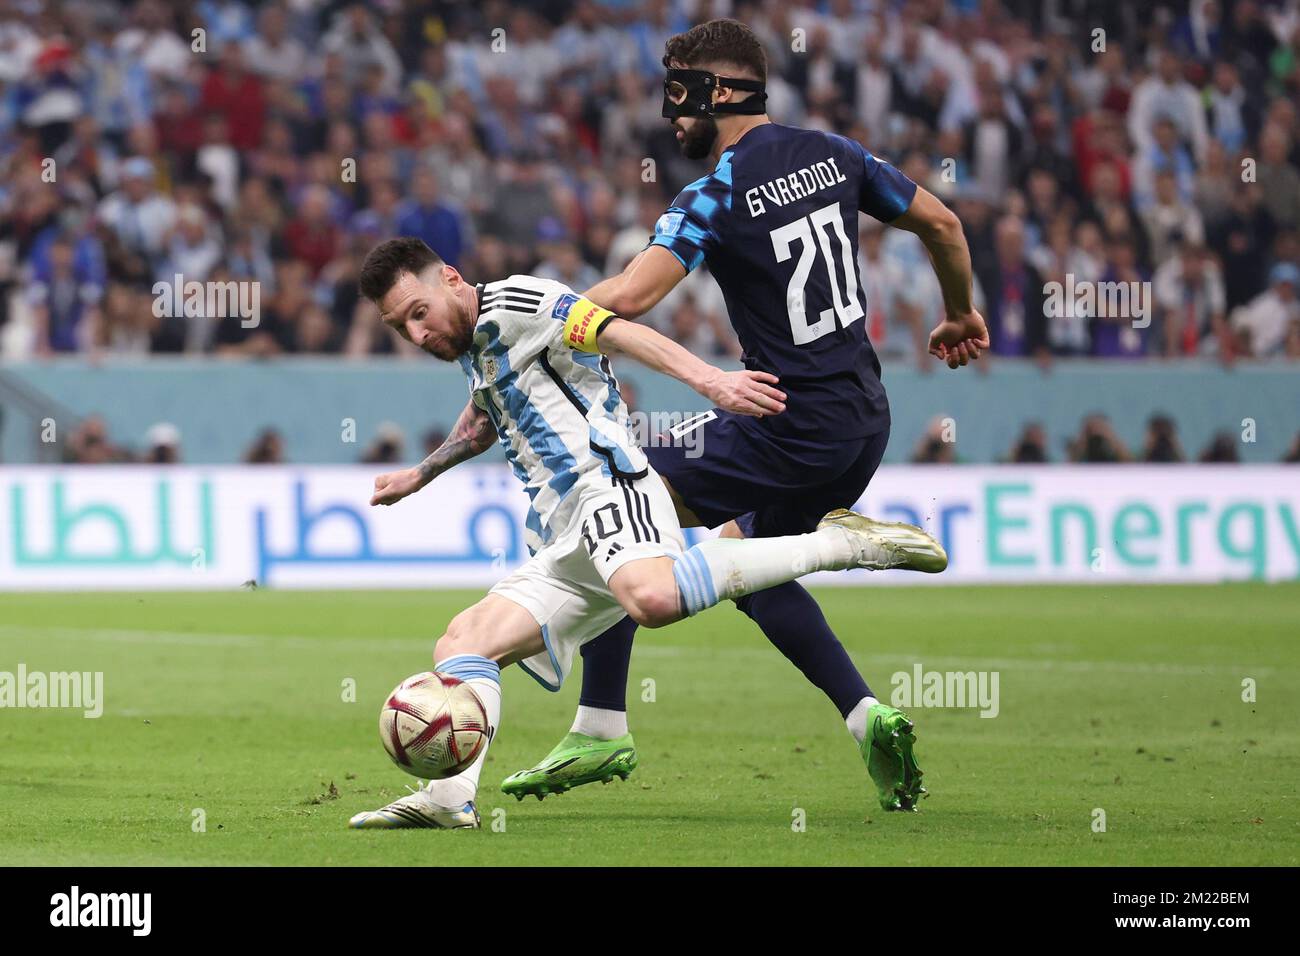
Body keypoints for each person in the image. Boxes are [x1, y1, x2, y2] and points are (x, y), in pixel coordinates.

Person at [505, 19, 987, 813]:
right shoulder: (837, 155)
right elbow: (943, 223)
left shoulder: (716, 193)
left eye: (679, 94)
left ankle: (600, 725)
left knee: (622, 504)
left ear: (720, 91)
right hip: (863, 420)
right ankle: (870, 717)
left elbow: (629, 296)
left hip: (784, 420)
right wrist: (960, 313)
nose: (671, 115)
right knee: (754, 571)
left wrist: (526, 331)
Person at [345, 238, 947, 829]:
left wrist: (711, 381)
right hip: (563, 534)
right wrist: (420, 475)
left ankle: (850, 545)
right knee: (460, 646)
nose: (418, 335)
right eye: (402, 329)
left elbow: (617, 329)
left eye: (418, 314)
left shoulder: (517, 303)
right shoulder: (479, 344)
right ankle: (452, 801)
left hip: (611, 488)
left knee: (652, 598)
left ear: (450, 279)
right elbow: (484, 416)